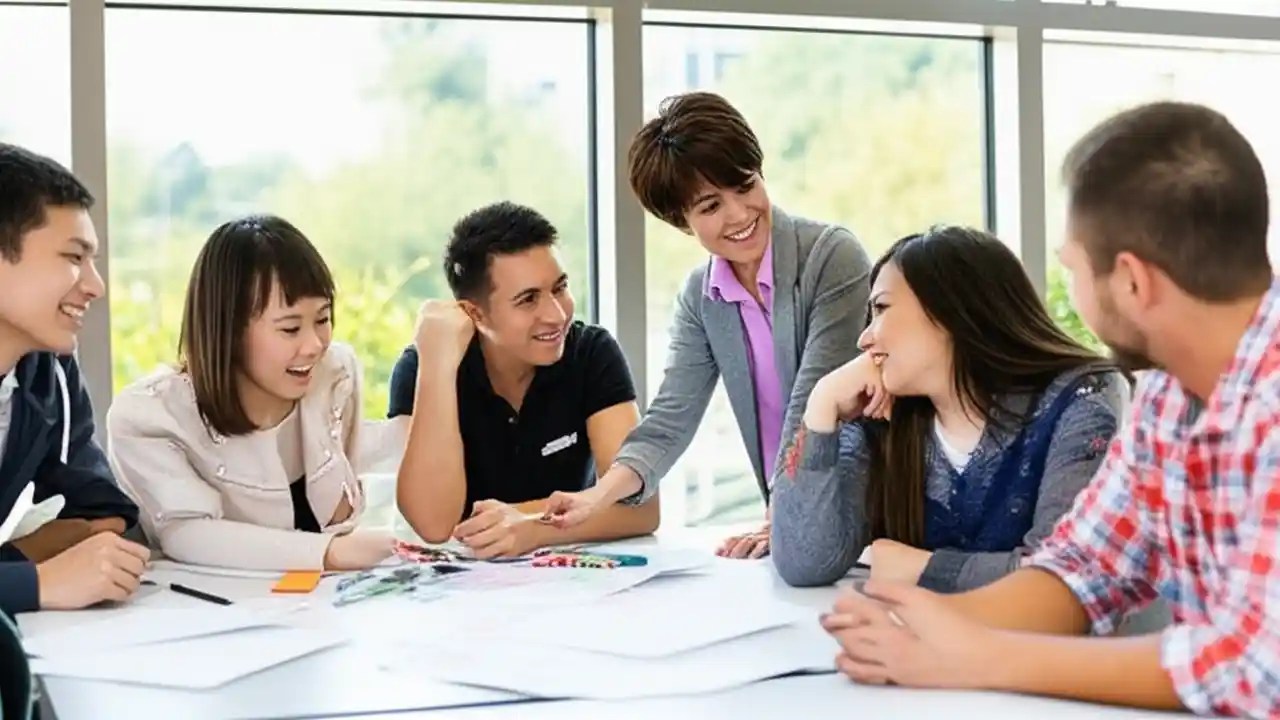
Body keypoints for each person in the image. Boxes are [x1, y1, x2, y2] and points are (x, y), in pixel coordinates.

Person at [821, 101, 1280, 717]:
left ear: (1131, 282)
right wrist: (927, 623)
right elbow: (1084, 566)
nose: (1066, 289)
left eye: (1071, 267)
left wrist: (977, 655)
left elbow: (1254, 671)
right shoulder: (1170, 400)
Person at [542, 91, 872, 558]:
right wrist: (597, 497)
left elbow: (814, 399)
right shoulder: (702, 298)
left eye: (745, 185)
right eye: (710, 206)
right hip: (793, 516)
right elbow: (671, 416)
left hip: (870, 509)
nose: (739, 214)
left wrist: (786, 513)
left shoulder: (831, 257)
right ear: (681, 219)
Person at [771, 226, 1126, 591]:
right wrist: (821, 403)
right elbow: (804, 563)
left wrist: (922, 567)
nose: (865, 338)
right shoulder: (881, 414)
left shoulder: (1081, 399)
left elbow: (1068, 577)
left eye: (881, 308)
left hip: (1036, 648)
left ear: (949, 309)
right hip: (918, 643)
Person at [107, 215, 393, 571]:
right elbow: (186, 534)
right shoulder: (150, 416)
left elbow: (345, 504)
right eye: (290, 328)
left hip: (322, 604)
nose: (314, 345)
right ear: (228, 329)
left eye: (322, 319)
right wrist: (327, 553)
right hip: (213, 611)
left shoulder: (335, 374)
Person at [390, 202, 657, 558]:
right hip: (462, 592)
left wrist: (532, 527)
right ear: (474, 313)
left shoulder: (591, 353)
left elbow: (640, 508)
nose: (556, 314)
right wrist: (437, 364)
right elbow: (433, 524)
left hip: (569, 583)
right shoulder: (422, 369)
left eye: (560, 288)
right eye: (528, 299)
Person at [0, 143, 148, 616]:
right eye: (73, 257)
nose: (95, 285)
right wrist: (34, 582)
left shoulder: (45, 370)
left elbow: (104, 517)